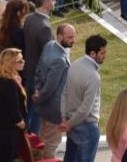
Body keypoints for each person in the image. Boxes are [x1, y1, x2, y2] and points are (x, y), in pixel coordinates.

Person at [61, 34, 107, 162]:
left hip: (71, 121)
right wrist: (68, 124)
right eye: (102, 53)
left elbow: (64, 92)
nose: (105, 56)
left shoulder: (74, 64)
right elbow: (86, 108)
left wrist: (65, 119)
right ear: (93, 53)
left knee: (69, 158)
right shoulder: (93, 76)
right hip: (87, 127)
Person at [35, 23, 76, 159]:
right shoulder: (60, 60)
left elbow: (39, 70)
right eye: (69, 37)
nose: (73, 40)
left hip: (45, 107)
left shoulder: (49, 45)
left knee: (43, 137)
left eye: (73, 36)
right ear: (59, 37)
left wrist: (37, 90)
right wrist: (39, 97)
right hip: (54, 110)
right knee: (51, 144)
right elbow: (50, 88)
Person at [24, 0, 56, 134]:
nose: (55, 2)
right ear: (46, 3)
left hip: (28, 69)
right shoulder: (44, 27)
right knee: (35, 113)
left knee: (29, 109)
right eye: (53, 0)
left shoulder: (30, 18)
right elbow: (49, 56)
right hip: (37, 76)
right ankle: (32, 144)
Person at [0, 48, 28, 162]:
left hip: (3, 128)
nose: (24, 62)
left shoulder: (9, 79)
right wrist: (21, 123)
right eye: (20, 61)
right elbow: (12, 106)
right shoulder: (8, 83)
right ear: (10, 64)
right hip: (7, 130)